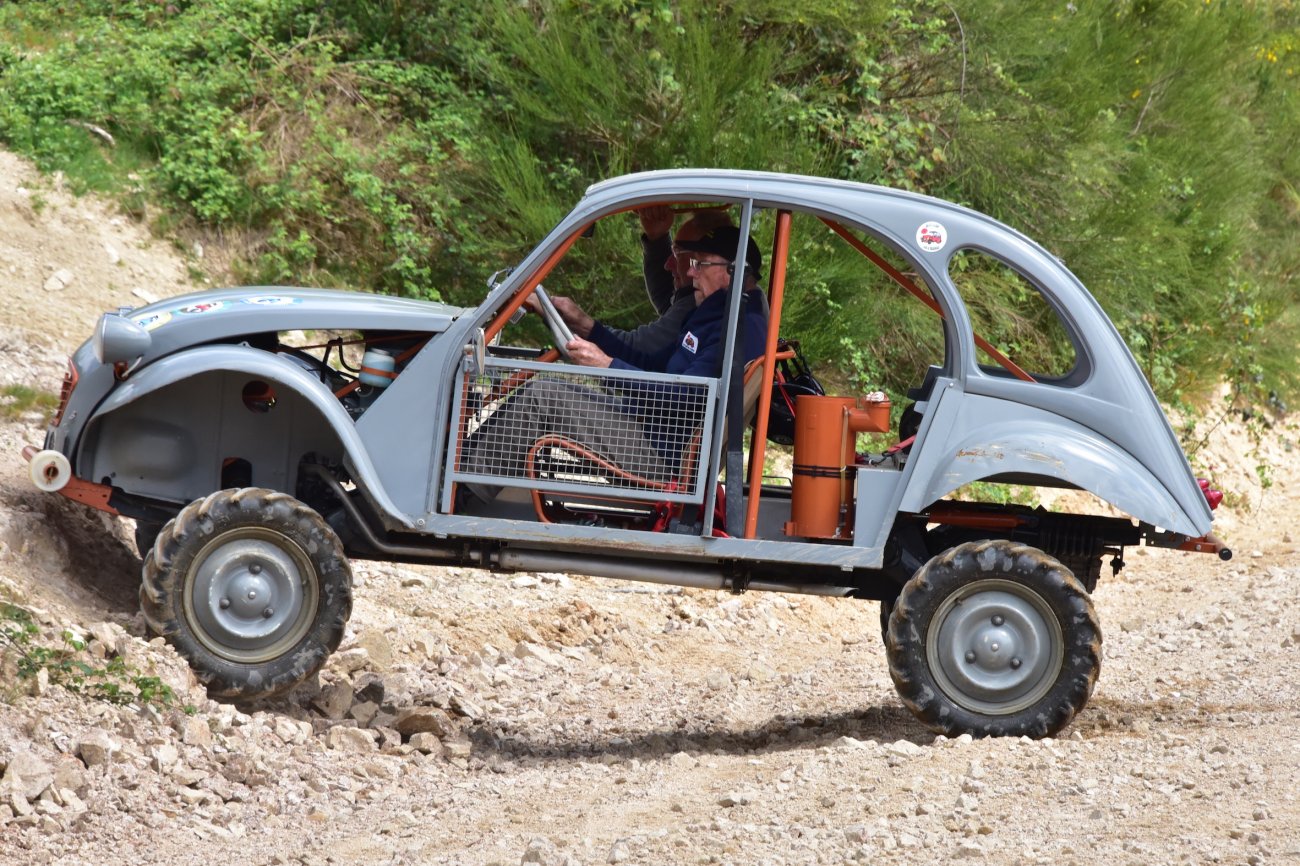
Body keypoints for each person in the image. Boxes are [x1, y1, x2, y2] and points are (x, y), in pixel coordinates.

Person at [459, 225, 768, 496]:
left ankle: (460, 493)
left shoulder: (740, 324)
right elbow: (651, 363)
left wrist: (607, 366)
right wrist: (587, 326)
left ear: (735, 270)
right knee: (546, 389)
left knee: (544, 396)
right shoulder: (715, 312)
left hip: (663, 456)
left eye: (700, 264)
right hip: (650, 430)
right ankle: (464, 471)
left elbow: (686, 399)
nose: (690, 272)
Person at [550, 206, 734, 357]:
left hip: (661, 400)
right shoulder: (705, 302)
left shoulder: (704, 306)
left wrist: (583, 323)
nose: (669, 264)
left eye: (678, 253)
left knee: (542, 392)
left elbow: (638, 349)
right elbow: (667, 299)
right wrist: (657, 238)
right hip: (659, 398)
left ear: (710, 260)